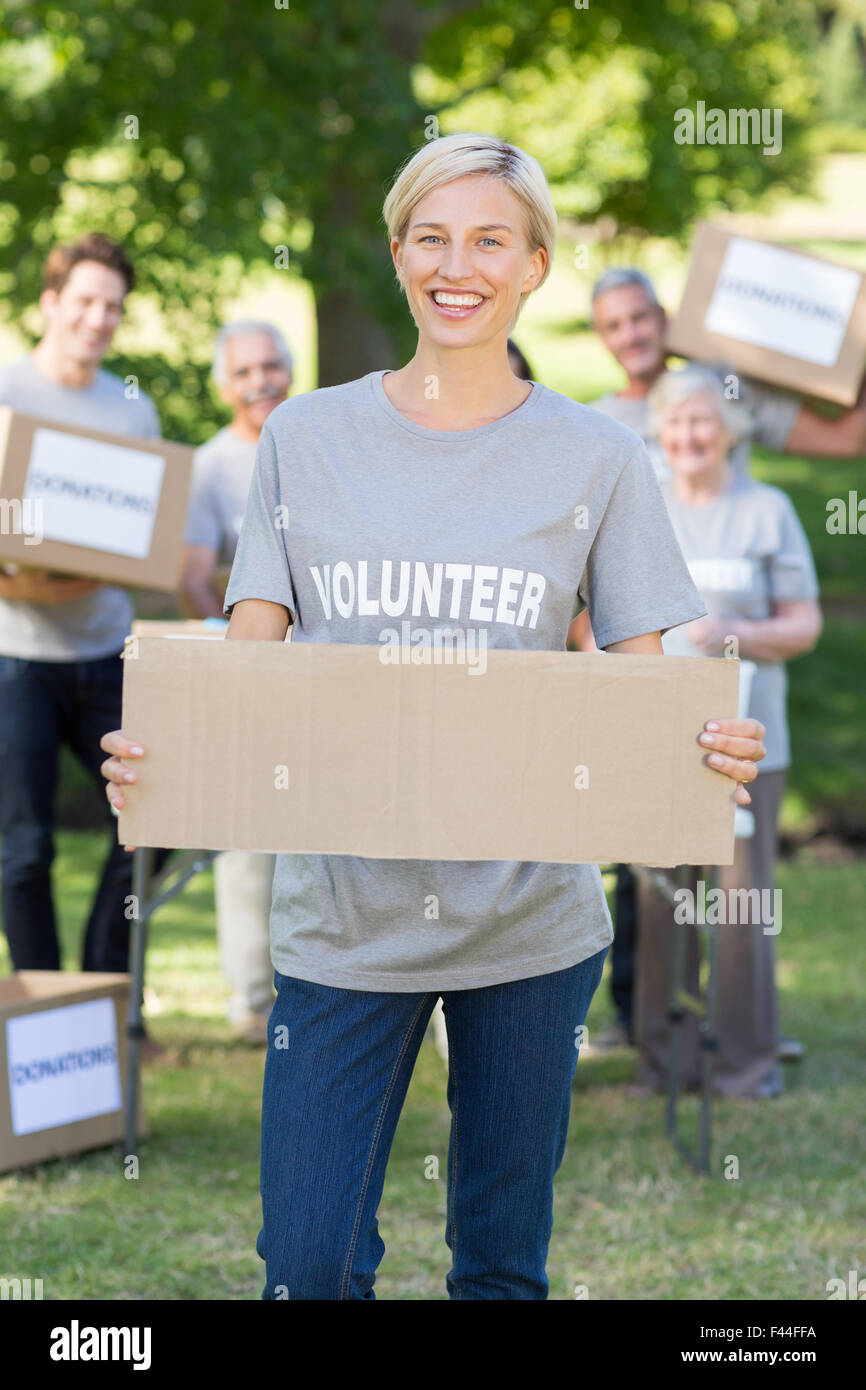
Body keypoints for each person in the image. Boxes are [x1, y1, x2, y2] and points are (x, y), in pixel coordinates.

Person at [99, 133, 766, 1301]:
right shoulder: (302, 440)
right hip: (343, 923)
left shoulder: (597, 457)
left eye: (489, 240)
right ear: (398, 252)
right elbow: (249, 668)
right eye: (432, 236)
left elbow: (643, 689)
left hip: (528, 925)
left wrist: (702, 747)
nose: (458, 265)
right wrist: (167, 758)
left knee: (500, 1269)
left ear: (534, 267)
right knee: (307, 1269)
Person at [577, 265, 864, 1054]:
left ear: (666, 318)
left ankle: (743, 1044)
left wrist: (844, 331)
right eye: (614, 325)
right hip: (654, 723)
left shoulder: (744, 444)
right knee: (653, 894)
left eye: (642, 318)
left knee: (737, 898)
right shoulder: (602, 430)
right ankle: (654, 1039)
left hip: (744, 727)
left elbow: (847, 431)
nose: (631, 334)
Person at [630, 364, 821, 1099]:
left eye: (702, 421)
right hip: (662, 738)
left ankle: (746, 1065)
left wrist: (734, 631)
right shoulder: (643, 510)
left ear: (731, 430)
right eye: (674, 424)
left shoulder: (767, 508)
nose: (688, 436)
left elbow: (803, 624)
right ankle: (663, 1065)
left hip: (749, 741)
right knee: (662, 901)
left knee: (741, 904)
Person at [0, 232, 169, 981]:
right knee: (24, 847)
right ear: (49, 304)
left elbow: (146, 543)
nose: (98, 319)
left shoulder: (134, 412)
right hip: (16, 658)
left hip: (107, 653)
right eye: (85, 302)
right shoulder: (6, 398)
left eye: (113, 307)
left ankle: (105, 982)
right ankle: (41, 1001)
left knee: (153, 814)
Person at [179, 321, 294, 1044]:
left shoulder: (319, 440)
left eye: (272, 366)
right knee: (246, 837)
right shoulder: (210, 466)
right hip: (245, 674)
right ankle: (252, 999)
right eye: (245, 371)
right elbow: (194, 577)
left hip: (320, 673)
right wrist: (247, 637)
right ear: (226, 385)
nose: (261, 381)